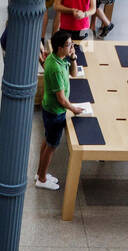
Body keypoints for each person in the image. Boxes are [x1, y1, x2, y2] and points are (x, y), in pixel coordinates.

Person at [34, 29, 83, 191]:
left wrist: (74, 57)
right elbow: (61, 99)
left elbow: (74, 74)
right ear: (60, 47)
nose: (71, 48)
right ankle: (41, 178)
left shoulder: (57, 58)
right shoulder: (55, 67)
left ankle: (40, 173)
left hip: (51, 109)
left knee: (47, 141)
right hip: (55, 112)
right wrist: (73, 108)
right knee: (52, 146)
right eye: (69, 45)